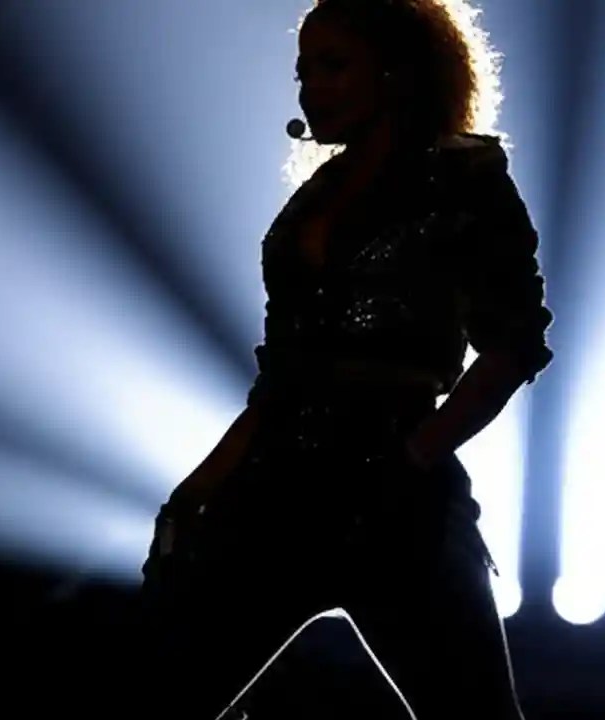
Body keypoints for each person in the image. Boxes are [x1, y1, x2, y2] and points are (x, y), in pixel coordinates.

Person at [140, 0, 554, 717]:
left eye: (332, 67)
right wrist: (197, 489)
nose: (309, 88)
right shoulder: (310, 203)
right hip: (274, 490)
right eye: (303, 70)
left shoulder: (465, 180)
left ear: (396, 72)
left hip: (397, 501)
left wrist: (416, 457)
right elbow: (282, 381)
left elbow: (514, 346)